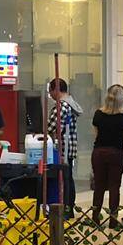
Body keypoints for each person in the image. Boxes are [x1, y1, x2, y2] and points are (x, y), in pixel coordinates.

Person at [90, 85, 123, 228]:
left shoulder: (98, 114)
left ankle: (95, 218)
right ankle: (113, 221)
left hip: (99, 152)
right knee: (114, 187)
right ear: (122, 99)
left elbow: (96, 134)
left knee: (99, 186)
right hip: (117, 153)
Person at [48, 78, 78, 209]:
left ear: (56, 90)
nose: (50, 94)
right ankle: (69, 207)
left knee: (64, 180)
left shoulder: (61, 106)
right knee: (68, 178)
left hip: (62, 149)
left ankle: (66, 207)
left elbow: (50, 128)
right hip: (69, 148)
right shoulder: (71, 104)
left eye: (51, 91)